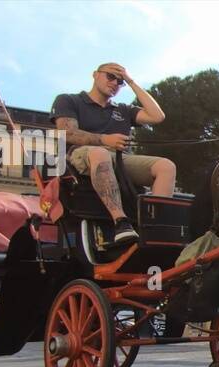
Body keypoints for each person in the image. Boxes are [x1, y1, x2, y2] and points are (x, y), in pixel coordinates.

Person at [50, 63, 176, 246]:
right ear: (95, 75)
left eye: (120, 81)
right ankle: (121, 222)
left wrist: (131, 81)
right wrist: (104, 139)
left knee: (166, 166)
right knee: (100, 154)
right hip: (81, 154)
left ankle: (155, 227)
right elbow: (67, 133)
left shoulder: (123, 110)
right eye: (110, 76)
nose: (115, 83)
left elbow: (157, 116)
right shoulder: (69, 100)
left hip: (119, 158)